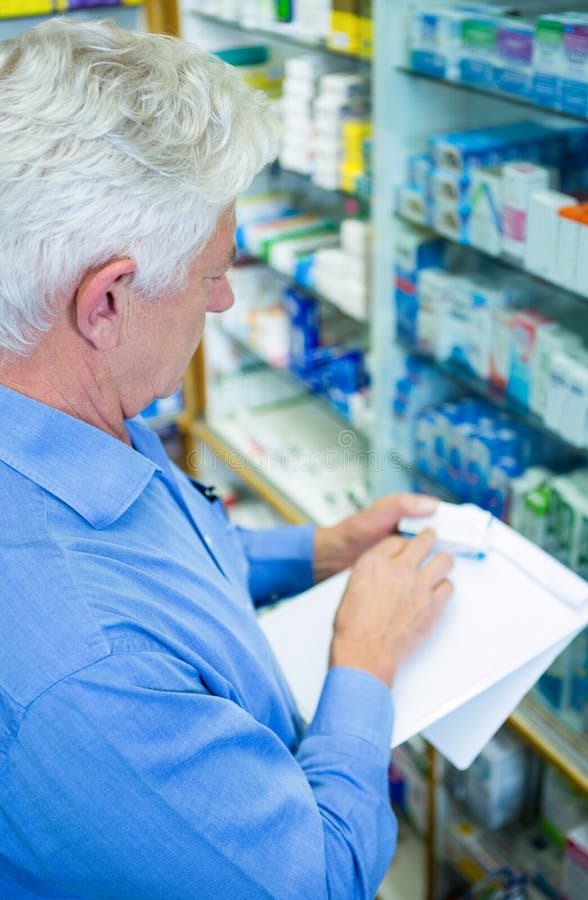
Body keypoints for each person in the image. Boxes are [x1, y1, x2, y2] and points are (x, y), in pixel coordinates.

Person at [0, 18, 453, 899]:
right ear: (105, 302)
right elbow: (315, 881)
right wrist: (365, 662)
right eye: (211, 270)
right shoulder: (89, 678)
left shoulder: (59, 405)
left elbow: (149, 560)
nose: (225, 296)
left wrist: (319, 554)